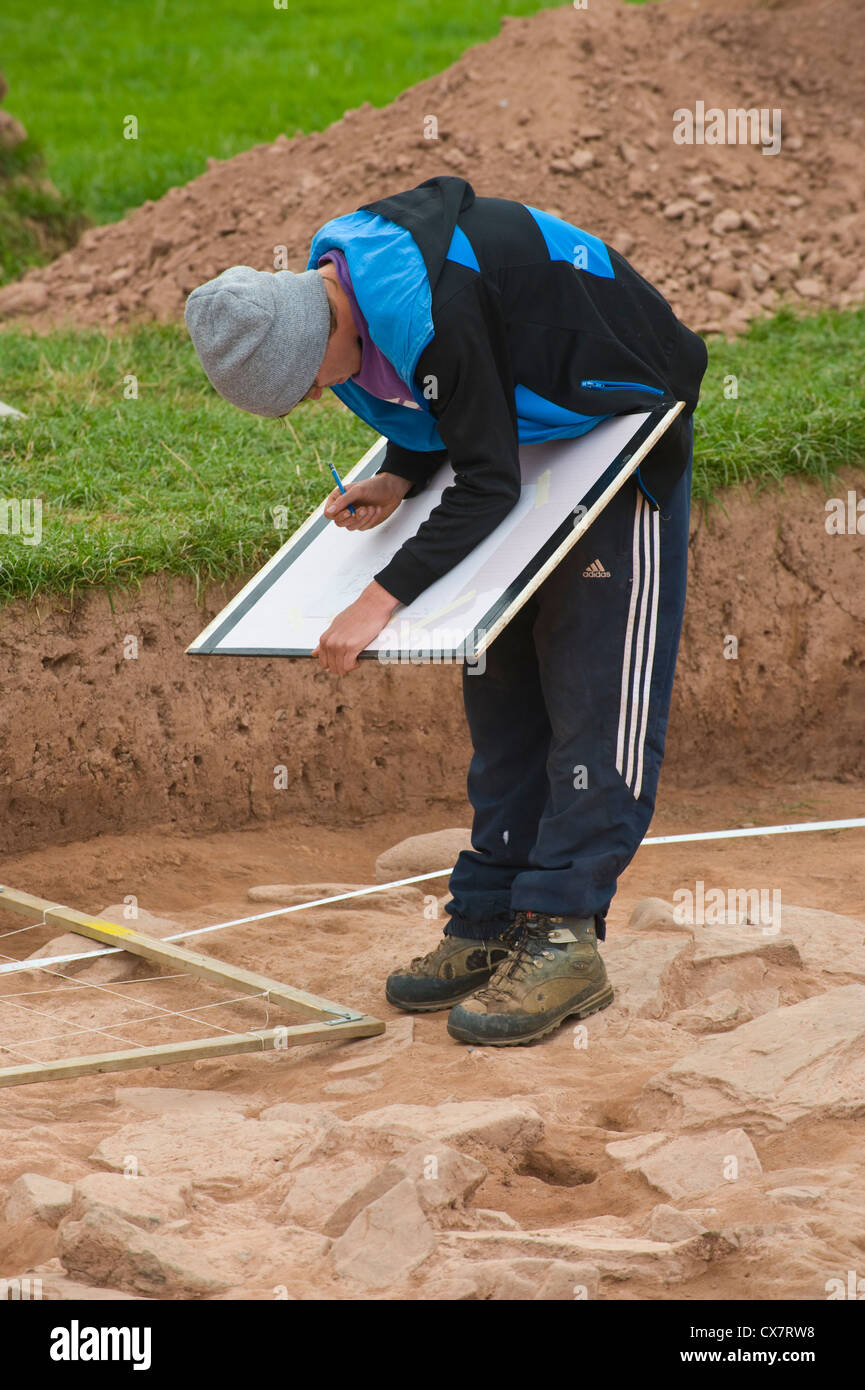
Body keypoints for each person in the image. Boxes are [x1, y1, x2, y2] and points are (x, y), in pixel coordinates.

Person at [184, 175, 708, 1046]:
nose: (317, 398)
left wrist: (377, 599)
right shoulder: (345, 296)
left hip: (623, 428)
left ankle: (564, 933)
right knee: (500, 689)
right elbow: (449, 400)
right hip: (534, 432)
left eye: (309, 385)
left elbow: (487, 473)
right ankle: (492, 912)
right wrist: (401, 470)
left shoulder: (424, 302)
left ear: (324, 328)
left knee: (594, 699)